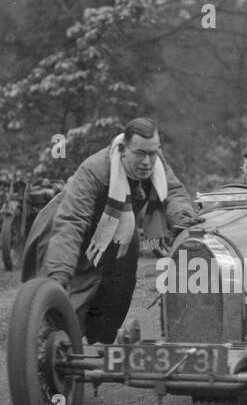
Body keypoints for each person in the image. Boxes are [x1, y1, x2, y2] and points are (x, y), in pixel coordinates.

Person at [21, 117, 196, 343]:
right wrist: (59, 274)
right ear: (123, 149)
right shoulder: (94, 170)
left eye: (152, 153)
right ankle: (52, 347)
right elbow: (72, 222)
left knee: (117, 290)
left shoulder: (157, 164)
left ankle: (100, 346)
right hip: (63, 228)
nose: (147, 162)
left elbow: (174, 193)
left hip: (116, 233)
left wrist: (182, 218)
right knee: (59, 302)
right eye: (140, 153)